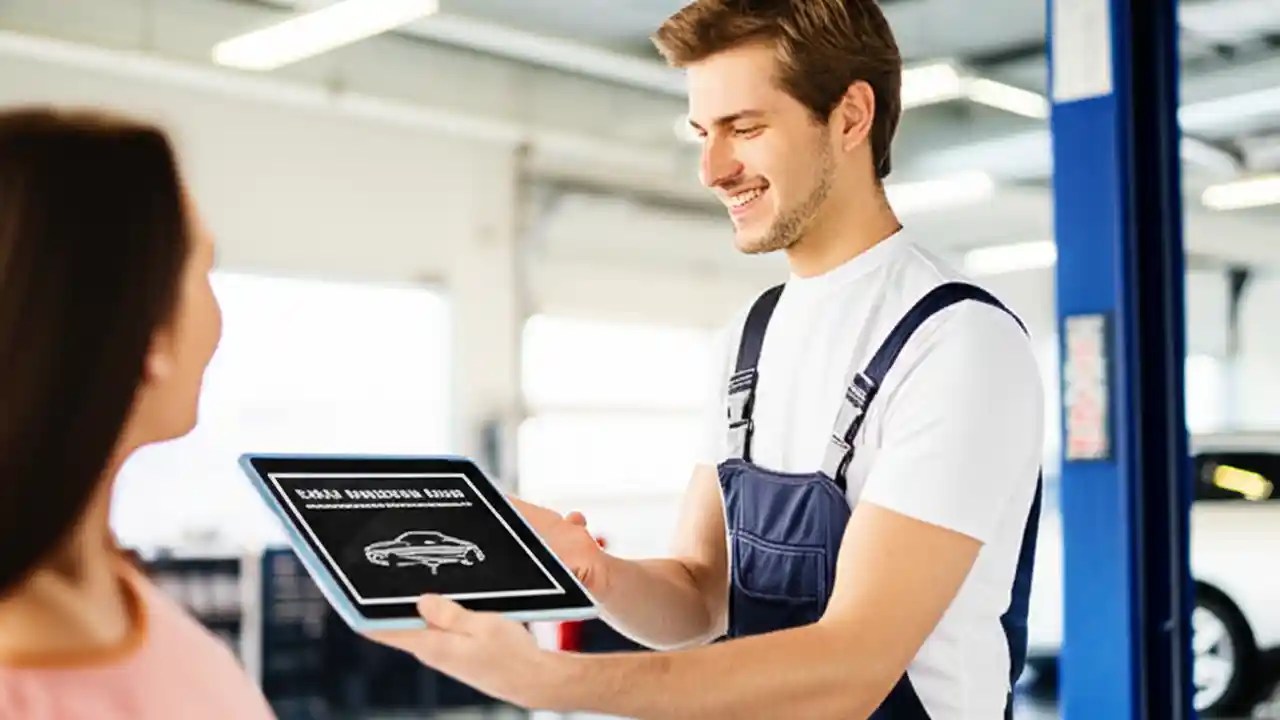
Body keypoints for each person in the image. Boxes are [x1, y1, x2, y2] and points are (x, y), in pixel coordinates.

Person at [370, 1, 1045, 717]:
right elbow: (697, 598)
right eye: (703, 133)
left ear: (850, 117)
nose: (713, 169)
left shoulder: (956, 342)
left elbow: (850, 668)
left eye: (745, 128)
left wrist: (552, 681)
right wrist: (593, 568)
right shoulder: (749, 338)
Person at [0, 108, 276, 719]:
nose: (219, 318)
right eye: (203, 271)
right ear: (150, 336)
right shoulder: (29, 670)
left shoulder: (107, 588)